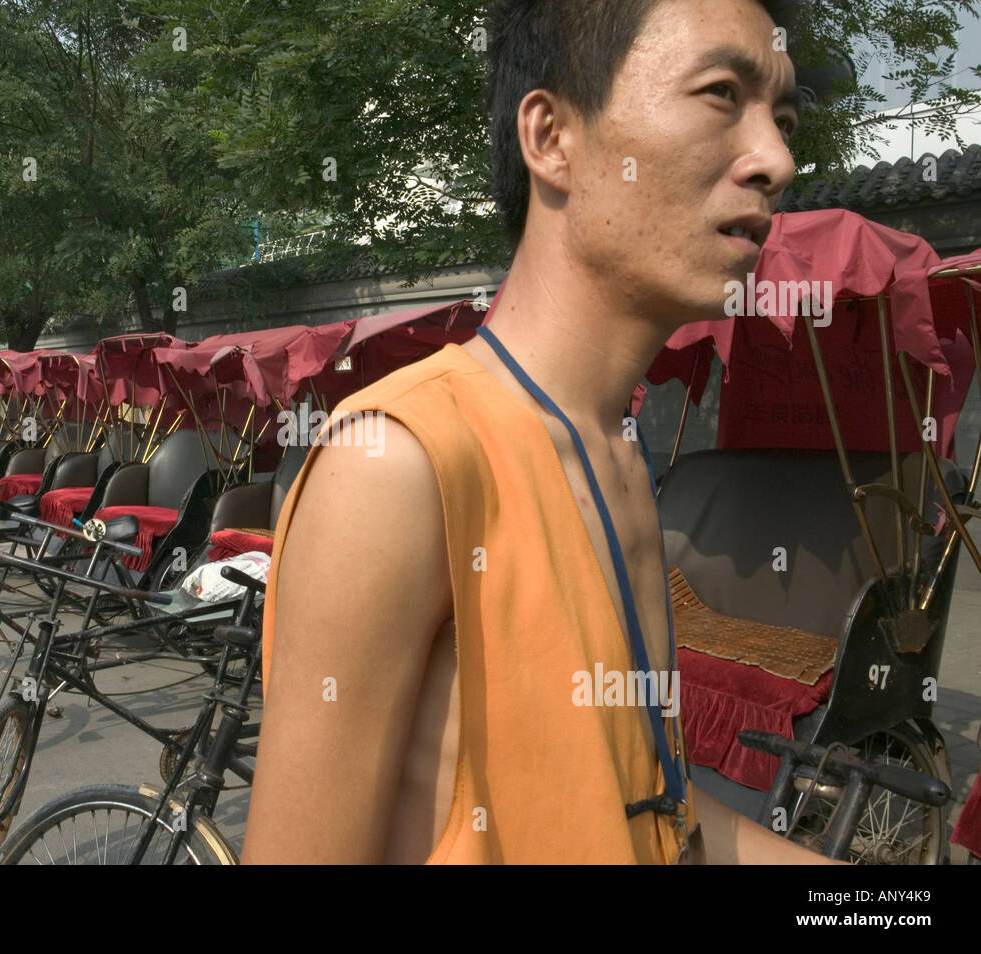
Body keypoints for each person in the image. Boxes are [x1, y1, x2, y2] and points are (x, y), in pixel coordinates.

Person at [243, 0, 833, 864]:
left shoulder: (620, 458)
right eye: (719, 93)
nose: (777, 160)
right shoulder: (401, 465)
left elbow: (658, 814)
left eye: (782, 118)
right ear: (552, 138)